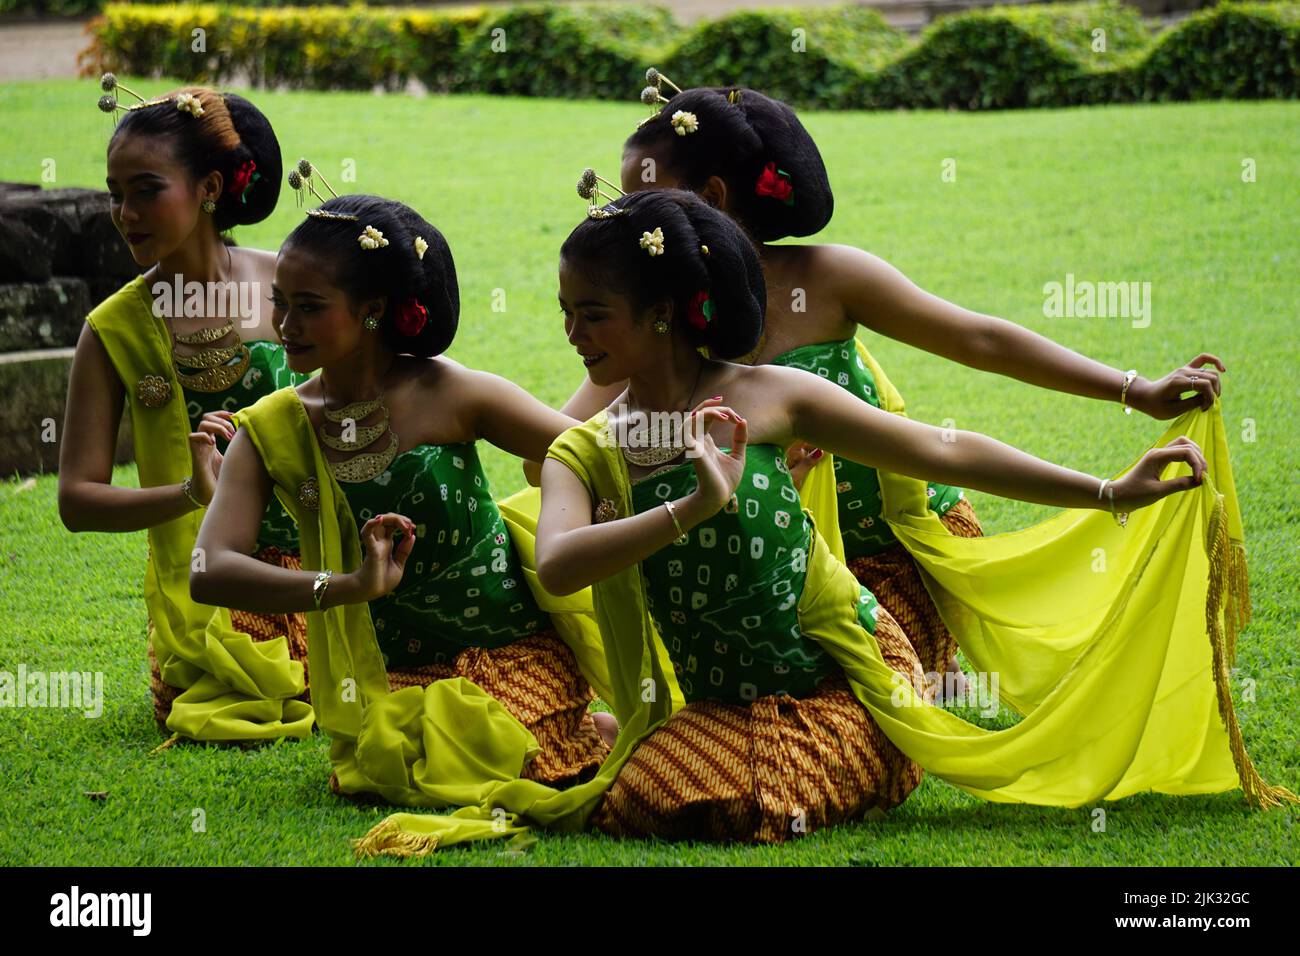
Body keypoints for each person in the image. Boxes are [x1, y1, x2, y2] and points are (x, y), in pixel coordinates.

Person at [541, 76, 1227, 697]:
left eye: (641, 205)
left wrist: (1136, 392)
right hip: (779, 577)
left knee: (894, 684)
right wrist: (706, 470)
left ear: (712, 198)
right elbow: (560, 447)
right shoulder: (660, 336)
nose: (624, 231)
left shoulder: (829, 280)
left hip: (899, 552)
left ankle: (928, 672)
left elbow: (979, 342)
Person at [192, 193, 615, 798]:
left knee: (498, 761)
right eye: (280, 304)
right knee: (397, 771)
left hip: (510, 649)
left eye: (310, 308)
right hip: (393, 670)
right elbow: (210, 569)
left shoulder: (452, 392)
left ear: (373, 311)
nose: (286, 326)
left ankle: (589, 724)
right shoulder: (273, 428)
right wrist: (347, 587)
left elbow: (587, 456)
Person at [58, 77, 312, 742]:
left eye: (147, 190)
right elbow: (77, 501)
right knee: (222, 698)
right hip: (207, 591)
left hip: (321, 558)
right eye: (116, 194)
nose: (126, 213)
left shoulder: (290, 282)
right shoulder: (112, 329)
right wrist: (186, 492)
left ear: (209, 189)